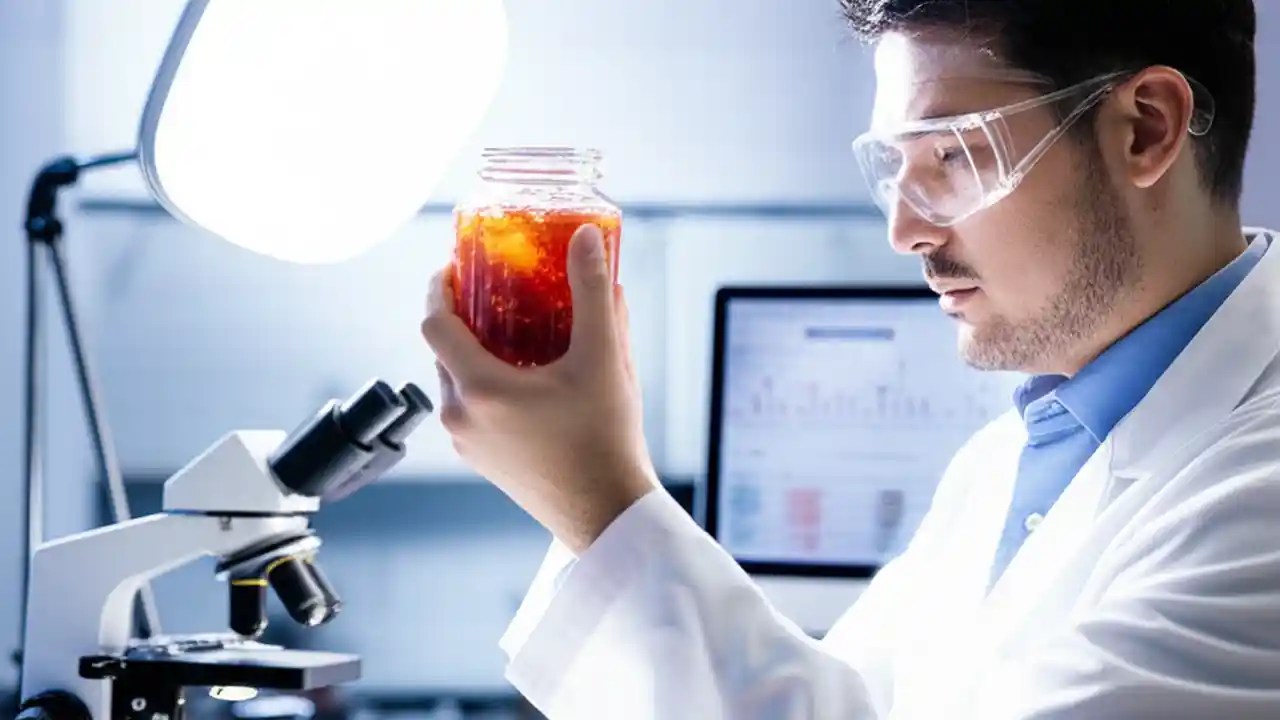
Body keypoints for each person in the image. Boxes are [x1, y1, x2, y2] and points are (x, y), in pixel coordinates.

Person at [421, 0, 1280, 716]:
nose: (904, 231)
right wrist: (592, 500)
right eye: (895, 166)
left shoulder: (1259, 501)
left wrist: (602, 504)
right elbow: (847, 702)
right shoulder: (1017, 454)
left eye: (952, 155)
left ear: (1144, 130)